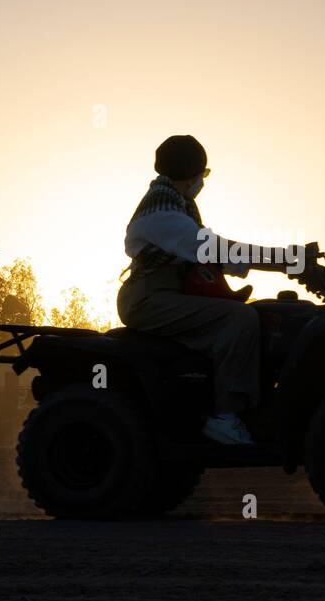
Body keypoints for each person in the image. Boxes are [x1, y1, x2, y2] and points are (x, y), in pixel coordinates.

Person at [117, 135, 298, 445]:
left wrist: (285, 262)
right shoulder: (162, 215)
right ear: (192, 175)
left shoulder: (176, 206)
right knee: (239, 319)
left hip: (171, 295)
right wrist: (285, 260)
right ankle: (225, 417)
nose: (203, 181)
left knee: (259, 313)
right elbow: (214, 250)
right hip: (150, 300)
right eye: (203, 174)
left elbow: (214, 255)